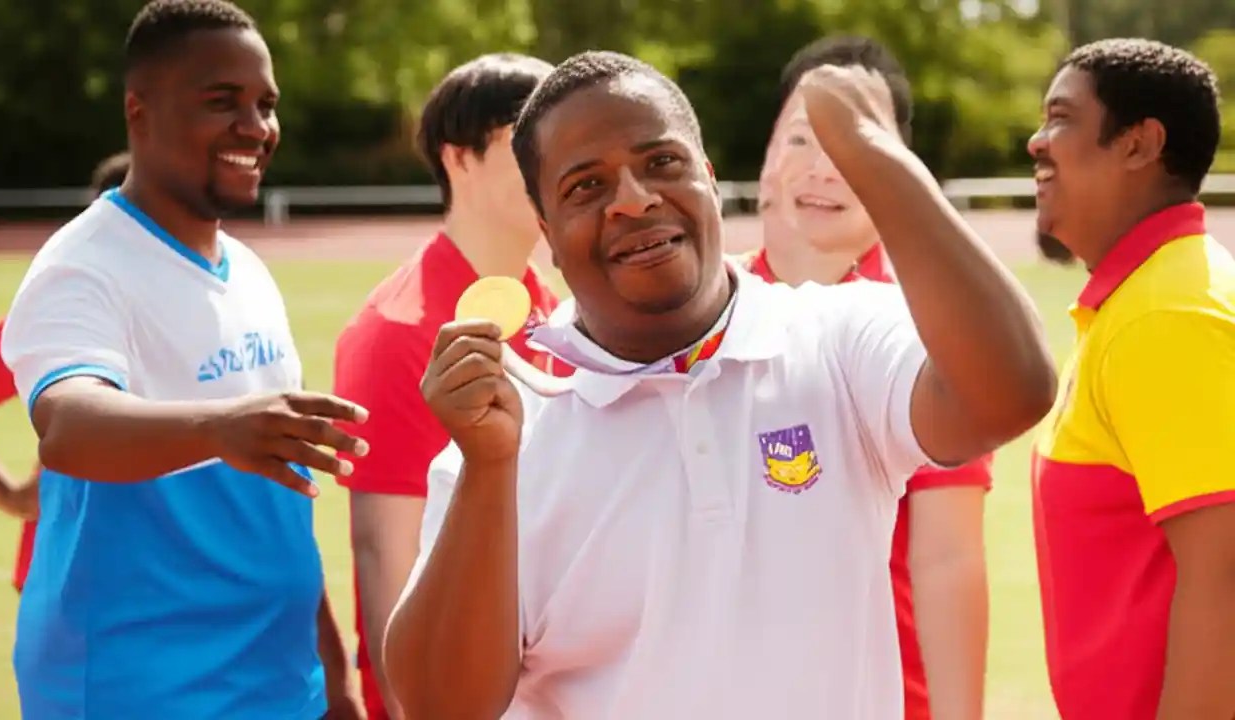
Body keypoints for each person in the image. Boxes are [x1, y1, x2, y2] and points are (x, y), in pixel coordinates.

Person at [384, 50, 1055, 718]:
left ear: (708, 178)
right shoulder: (508, 433)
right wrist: (488, 468)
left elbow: (1013, 390)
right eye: (586, 186)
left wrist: (873, 153)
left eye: (661, 163)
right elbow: (441, 708)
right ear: (548, 235)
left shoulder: (835, 337)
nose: (634, 200)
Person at [0, 2, 368, 718]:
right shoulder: (83, 267)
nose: (255, 127)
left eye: (266, 105)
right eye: (222, 101)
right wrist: (216, 426)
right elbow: (68, 426)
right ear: (138, 111)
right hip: (142, 690)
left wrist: (332, 673)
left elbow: (279, 491)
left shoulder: (248, 271)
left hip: (279, 683)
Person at [751, 36, 992, 720]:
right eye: (802, 138)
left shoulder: (929, 331)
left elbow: (947, 560)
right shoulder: (705, 313)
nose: (823, 168)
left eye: (852, 144)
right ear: (767, 155)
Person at [332, 52, 567, 720]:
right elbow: (387, 557)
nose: (553, 157)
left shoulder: (554, 311)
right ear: (457, 157)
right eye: (526, 137)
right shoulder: (397, 331)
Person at [1029, 38, 1234, 720]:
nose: (1036, 142)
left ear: (1139, 144)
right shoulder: (1146, 298)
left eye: (1061, 118)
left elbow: (1225, 578)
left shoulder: (1169, 314)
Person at [0, 150, 132, 596]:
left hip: (165, 571)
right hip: (69, 570)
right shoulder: (62, 311)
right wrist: (7, 495)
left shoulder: (210, 307)